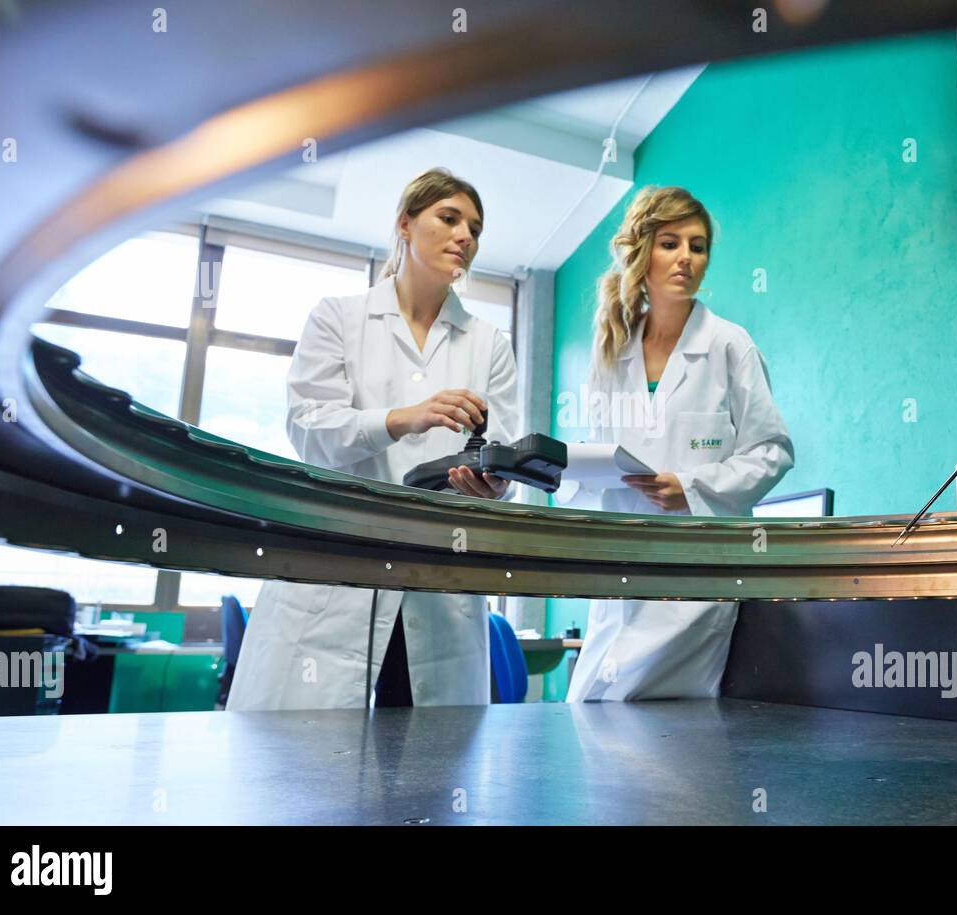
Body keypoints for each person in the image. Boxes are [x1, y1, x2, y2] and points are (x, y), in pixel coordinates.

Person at [228, 167, 518, 711]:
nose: (466, 237)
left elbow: (500, 456)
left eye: (475, 229)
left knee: (426, 775)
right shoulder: (338, 317)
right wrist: (402, 418)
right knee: (310, 772)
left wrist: (496, 484)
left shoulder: (489, 344)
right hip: (337, 577)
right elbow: (309, 428)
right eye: (449, 219)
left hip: (439, 584)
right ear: (405, 224)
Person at [564, 186, 793, 702]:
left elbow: (773, 450)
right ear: (643, 252)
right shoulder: (611, 351)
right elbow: (594, 455)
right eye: (670, 243)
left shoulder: (729, 345)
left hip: (694, 578)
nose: (686, 258)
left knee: (663, 745)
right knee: (590, 716)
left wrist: (688, 487)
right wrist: (575, 470)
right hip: (620, 574)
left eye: (698, 245)